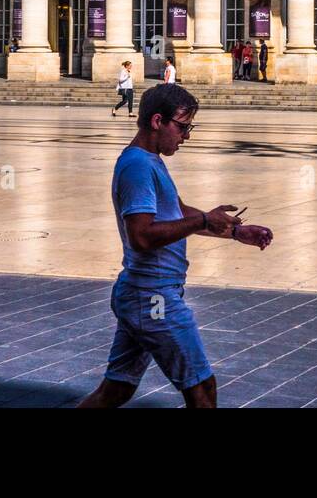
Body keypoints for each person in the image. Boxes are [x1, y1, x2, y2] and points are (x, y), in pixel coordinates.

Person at [76, 83, 273, 409]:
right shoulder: (138, 166)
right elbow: (142, 236)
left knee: (116, 390)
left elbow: (178, 213)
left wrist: (234, 232)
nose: (187, 136)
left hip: (140, 294)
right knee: (202, 389)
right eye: (182, 127)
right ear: (157, 121)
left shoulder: (149, 161)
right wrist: (203, 221)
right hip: (154, 298)